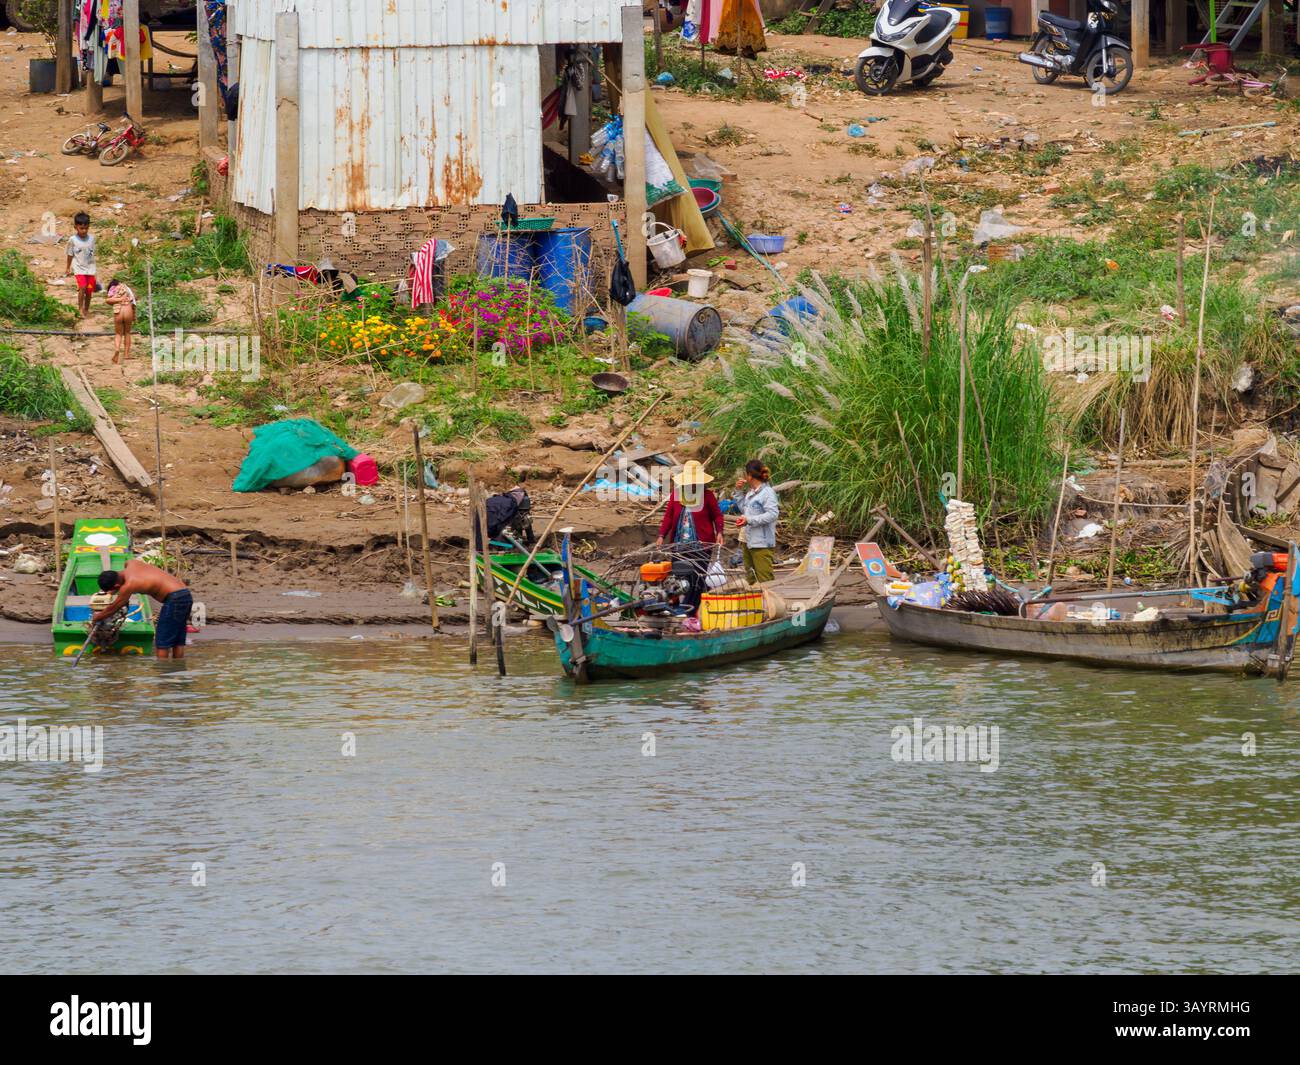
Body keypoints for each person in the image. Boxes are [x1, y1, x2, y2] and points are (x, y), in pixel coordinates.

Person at [657, 460, 724, 612]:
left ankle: (691, 609)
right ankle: (679, 607)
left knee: (697, 578)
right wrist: (662, 535)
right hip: (679, 544)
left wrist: (720, 532)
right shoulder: (676, 494)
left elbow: (717, 516)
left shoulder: (707, 496)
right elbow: (668, 517)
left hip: (702, 545)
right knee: (679, 577)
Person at [93, 560, 193, 660]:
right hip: (185, 594)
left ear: (116, 586)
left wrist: (96, 618)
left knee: (162, 641)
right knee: (178, 640)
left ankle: (162, 672)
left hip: (175, 599)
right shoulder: (131, 563)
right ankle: (178, 668)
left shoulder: (129, 585)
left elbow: (114, 607)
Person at [733, 459, 779, 584]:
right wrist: (738, 492)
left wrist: (749, 520)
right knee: (751, 578)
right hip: (749, 541)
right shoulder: (750, 493)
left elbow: (773, 514)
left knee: (765, 579)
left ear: (749, 476)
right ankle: (755, 603)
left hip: (762, 543)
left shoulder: (767, 493)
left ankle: (769, 603)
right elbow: (744, 508)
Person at [65, 211, 97, 318]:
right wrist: (68, 267)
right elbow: (70, 254)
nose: (84, 231)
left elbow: (91, 253)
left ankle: (86, 309)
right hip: (78, 267)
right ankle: (80, 309)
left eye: (86, 228)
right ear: (75, 227)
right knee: (82, 287)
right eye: (81, 228)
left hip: (90, 268)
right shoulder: (73, 240)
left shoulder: (92, 239)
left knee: (89, 290)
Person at [104, 278, 137, 366]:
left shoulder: (113, 289)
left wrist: (118, 300)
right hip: (128, 309)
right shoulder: (127, 288)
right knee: (127, 332)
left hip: (118, 311)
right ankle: (126, 354)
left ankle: (117, 349)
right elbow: (134, 303)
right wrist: (134, 315)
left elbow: (108, 300)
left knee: (118, 334)